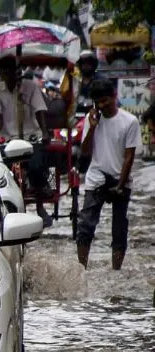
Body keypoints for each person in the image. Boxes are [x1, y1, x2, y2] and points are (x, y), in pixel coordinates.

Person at [75, 79, 141, 270]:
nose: (102, 106)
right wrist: (93, 126)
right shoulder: (92, 119)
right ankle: (81, 270)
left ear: (114, 97)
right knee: (85, 226)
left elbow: (129, 157)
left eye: (105, 101)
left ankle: (116, 271)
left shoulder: (130, 121)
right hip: (96, 177)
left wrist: (120, 186)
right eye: (98, 102)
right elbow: (85, 151)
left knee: (119, 230)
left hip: (121, 179)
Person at [0, 56, 53, 227]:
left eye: (11, 71)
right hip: (9, 139)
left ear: (17, 72)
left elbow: (39, 110)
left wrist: (45, 133)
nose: (8, 75)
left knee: (37, 167)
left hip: (30, 137)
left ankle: (40, 207)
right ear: (1, 74)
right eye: (5, 72)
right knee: (0, 171)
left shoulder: (30, 87)